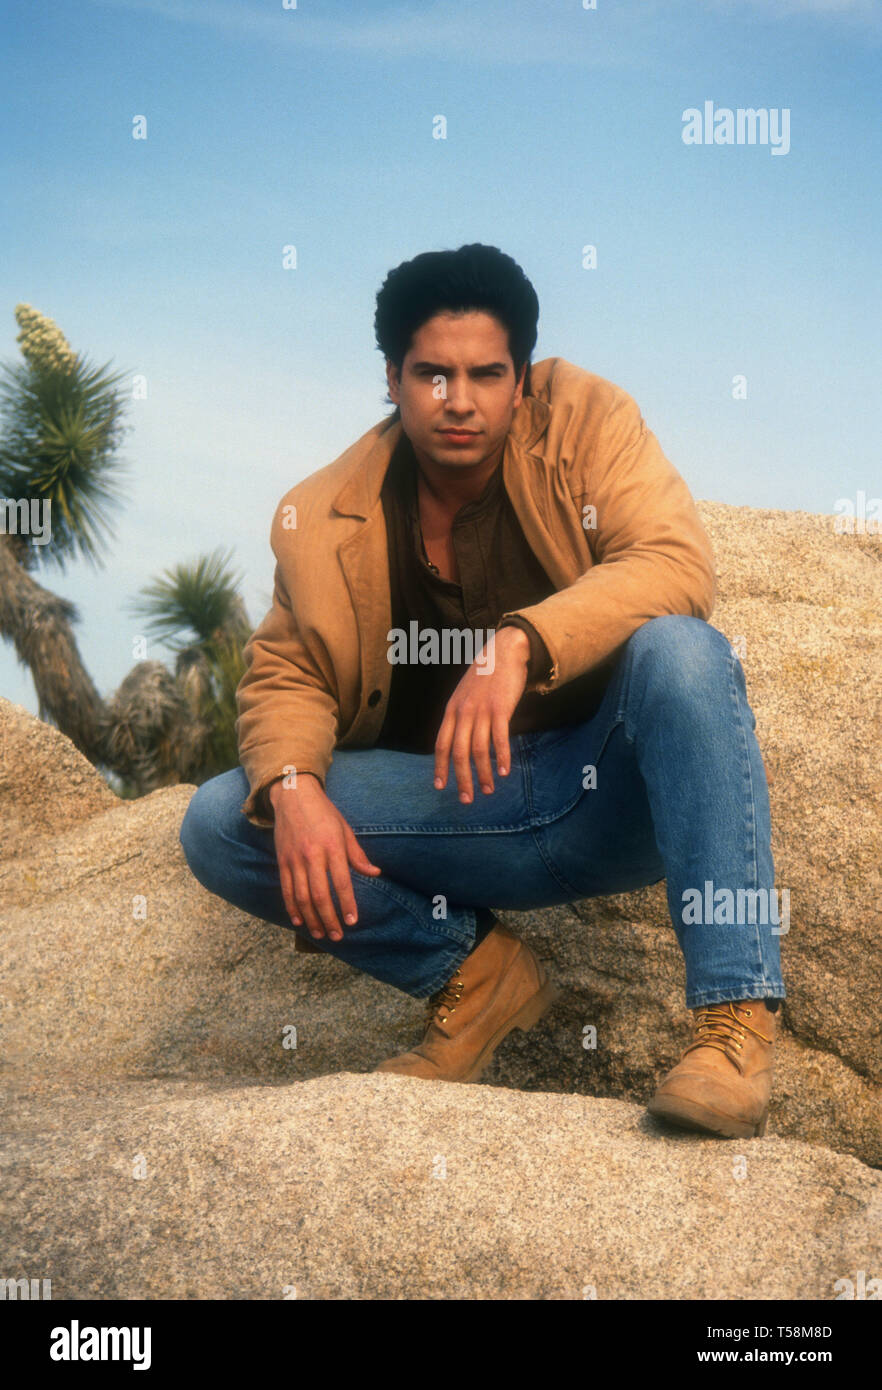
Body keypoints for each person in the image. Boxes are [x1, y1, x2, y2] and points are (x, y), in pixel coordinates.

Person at [180, 243, 785, 1140]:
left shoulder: (588, 422)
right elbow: (287, 673)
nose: (457, 400)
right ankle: (476, 974)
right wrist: (297, 788)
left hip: (608, 793)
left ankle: (735, 1027)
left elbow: (674, 564)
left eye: (484, 375)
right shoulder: (325, 511)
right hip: (456, 813)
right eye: (431, 374)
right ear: (392, 379)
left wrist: (521, 643)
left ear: (521, 380)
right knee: (228, 820)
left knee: (683, 651)